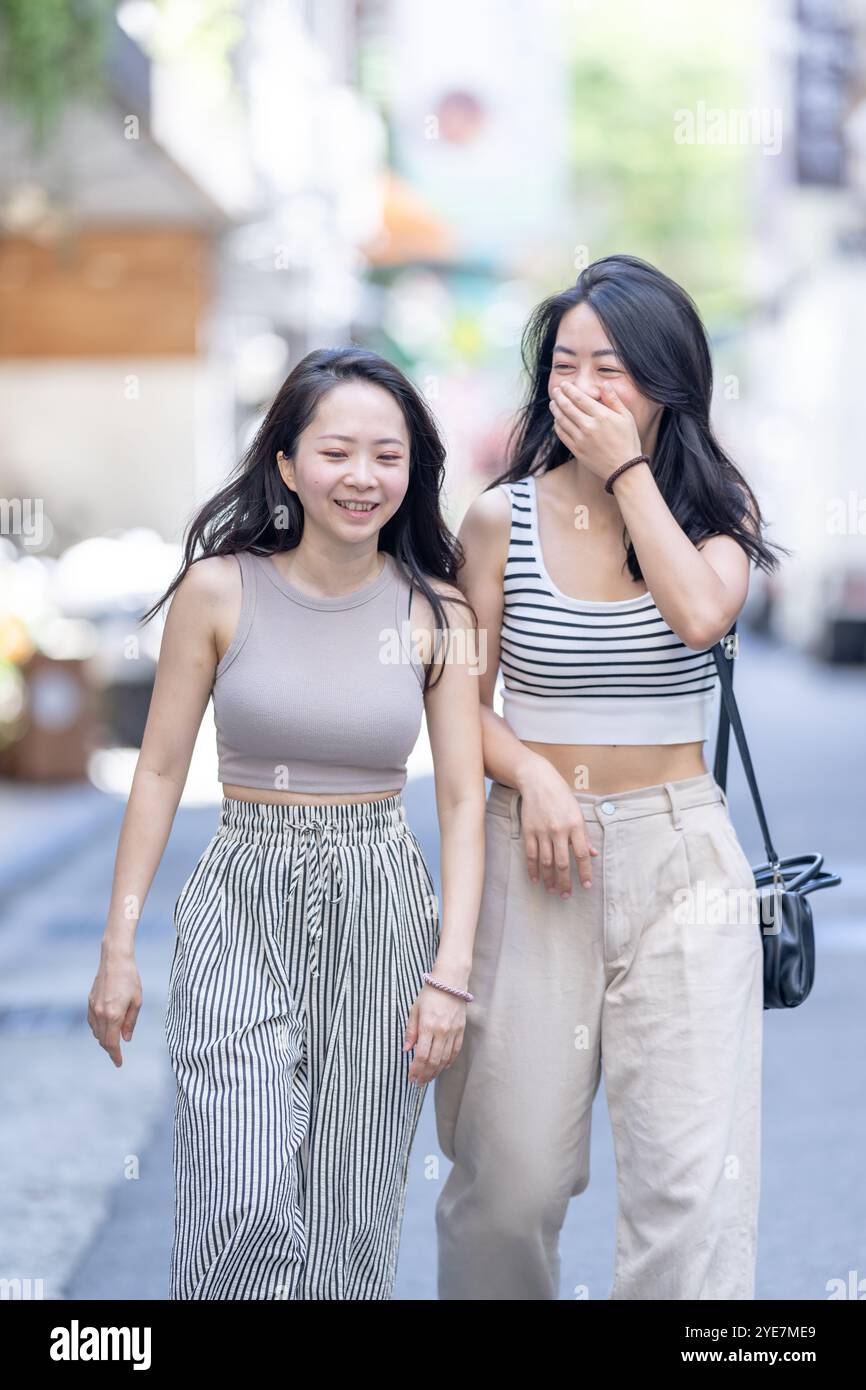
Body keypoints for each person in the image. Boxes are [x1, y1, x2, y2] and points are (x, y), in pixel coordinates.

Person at [88, 346, 485, 1300]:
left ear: (412, 470)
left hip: (381, 900)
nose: (362, 477)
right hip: (241, 892)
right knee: (243, 1180)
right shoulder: (219, 589)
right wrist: (119, 944)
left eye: (386, 456)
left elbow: (465, 797)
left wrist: (451, 976)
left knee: (351, 1206)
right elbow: (157, 770)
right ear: (286, 464)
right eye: (336, 451)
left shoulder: (439, 613)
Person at [434, 254, 787, 1301]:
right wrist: (533, 775)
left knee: (690, 1192)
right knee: (508, 1182)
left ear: (667, 385)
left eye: (614, 370)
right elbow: (456, 704)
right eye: (566, 366)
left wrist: (627, 476)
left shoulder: (716, 519)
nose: (584, 389)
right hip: (531, 856)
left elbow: (696, 614)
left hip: (681, 856)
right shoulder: (496, 522)